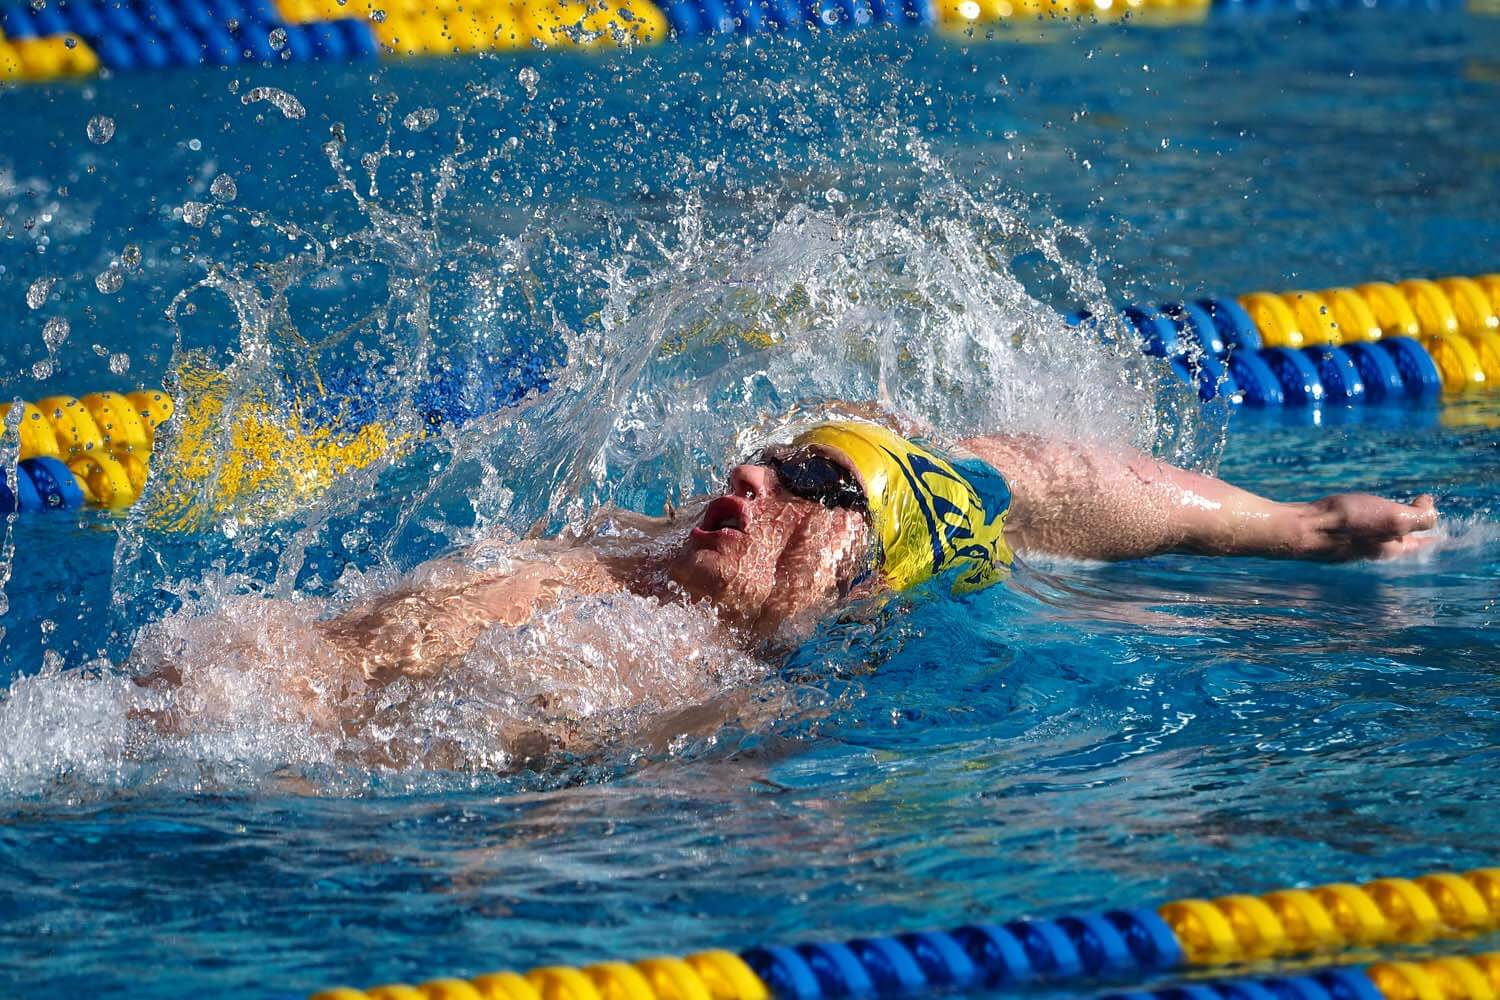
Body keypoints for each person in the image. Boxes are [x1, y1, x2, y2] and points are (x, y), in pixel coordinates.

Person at [131, 411, 1440, 768]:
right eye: (765, 455)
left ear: (853, 561)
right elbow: (1038, 477)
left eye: (806, 481)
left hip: (227, 778)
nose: (752, 475)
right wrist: (1298, 527)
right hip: (182, 691)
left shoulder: (677, 669)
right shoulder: (646, 547)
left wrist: (765, 651)